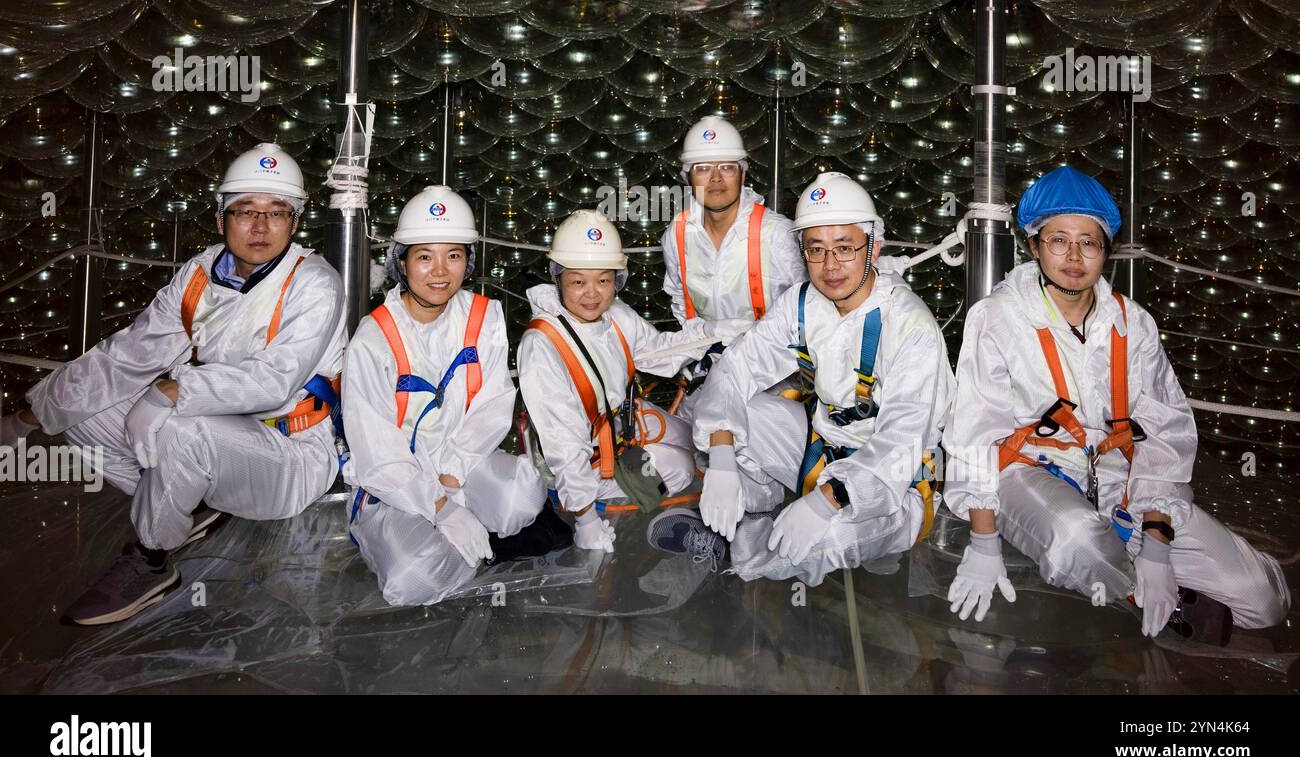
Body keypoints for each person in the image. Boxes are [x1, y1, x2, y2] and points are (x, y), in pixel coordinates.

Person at [4, 143, 346, 625]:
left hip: (286, 451)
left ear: (295, 221)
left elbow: (274, 379)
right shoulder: (198, 276)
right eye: (245, 211)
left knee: (183, 431)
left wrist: (173, 390)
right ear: (220, 216)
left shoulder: (314, 283)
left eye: (277, 212)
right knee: (86, 412)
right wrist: (28, 417)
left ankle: (151, 559)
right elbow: (127, 355)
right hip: (218, 431)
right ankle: (192, 506)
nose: (261, 226)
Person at [942, 165, 1290, 639]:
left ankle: (1162, 580)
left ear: (1107, 249)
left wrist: (1157, 543)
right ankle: (1157, 606)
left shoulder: (1132, 324)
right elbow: (974, 433)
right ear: (1033, 245)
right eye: (1058, 239)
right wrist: (983, 541)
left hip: (1119, 475)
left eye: (1089, 241)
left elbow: (1165, 431)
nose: (1073, 256)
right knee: (1078, 542)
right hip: (1026, 469)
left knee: (1260, 599)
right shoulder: (998, 318)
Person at [652, 172, 955, 584]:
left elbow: (902, 441)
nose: (830, 266)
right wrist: (721, 456)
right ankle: (746, 498)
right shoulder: (802, 304)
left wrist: (829, 501)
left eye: (844, 248)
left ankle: (730, 552)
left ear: (874, 248)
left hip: (894, 482)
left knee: (825, 540)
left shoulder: (910, 325)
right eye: (817, 250)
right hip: (821, 450)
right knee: (745, 409)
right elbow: (737, 367)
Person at [342, 186, 569, 607]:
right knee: (411, 580)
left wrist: (451, 478)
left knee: (522, 496)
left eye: (454, 255)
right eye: (424, 256)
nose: (440, 271)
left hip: (459, 466)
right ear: (401, 262)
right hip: (393, 484)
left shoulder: (483, 316)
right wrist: (440, 506)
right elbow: (376, 450)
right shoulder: (373, 340)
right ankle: (444, 541)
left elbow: (492, 404)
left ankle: (463, 540)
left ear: (469, 261)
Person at [517, 210, 724, 554]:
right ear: (559, 280)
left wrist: (716, 333)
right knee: (680, 468)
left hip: (615, 426)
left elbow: (656, 351)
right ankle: (629, 525)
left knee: (696, 438)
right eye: (578, 282)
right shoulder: (542, 344)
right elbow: (563, 441)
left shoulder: (614, 317)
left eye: (603, 280)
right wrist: (583, 518)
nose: (592, 294)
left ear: (618, 279)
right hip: (575, 463)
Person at [661, 114, 805, 348]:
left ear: (743, 175)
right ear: (688, 179)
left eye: (727, 168)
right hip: (707, 364)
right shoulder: (677, 235)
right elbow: (679, 298)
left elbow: (809, 306)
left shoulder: (777, 234)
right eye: (704, 169)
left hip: (772, 372)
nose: (716, 178)